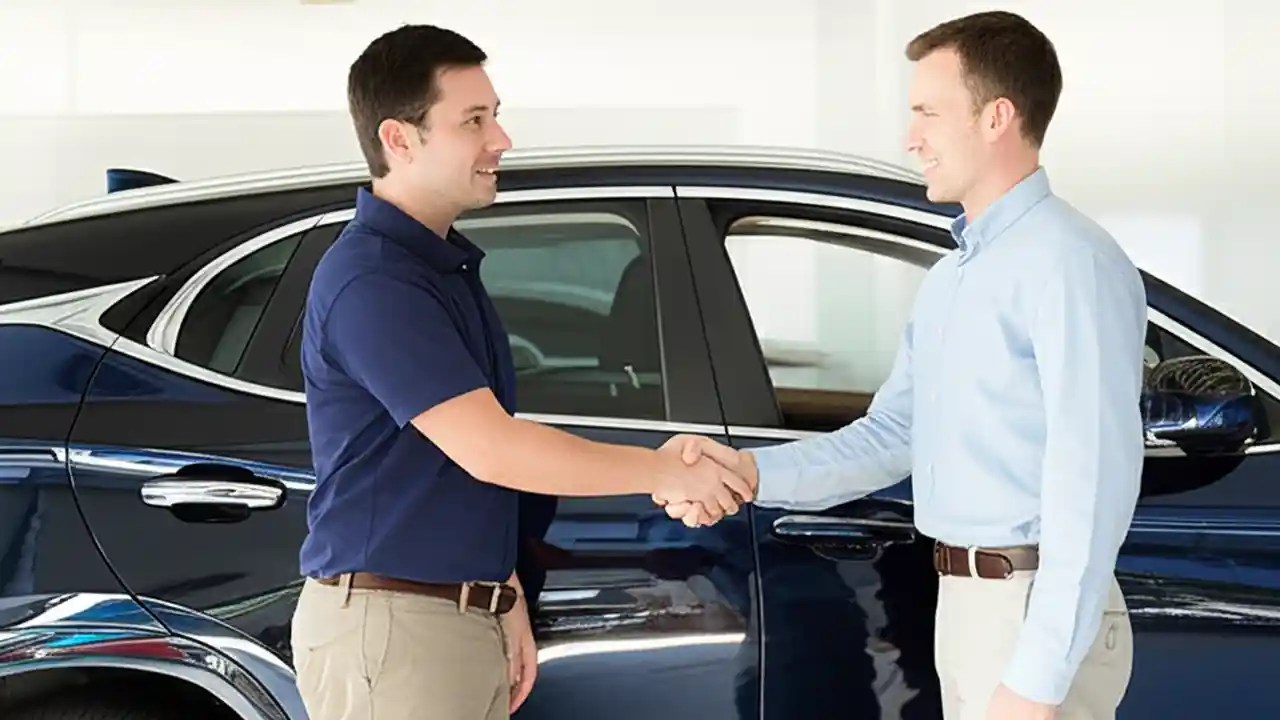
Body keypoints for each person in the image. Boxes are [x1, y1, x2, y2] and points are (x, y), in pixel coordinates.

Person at [660, 10, 1145, 720]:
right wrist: (751, 472)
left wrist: (1037, 679)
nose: (910, 137)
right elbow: (892, 436)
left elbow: (1094, 479)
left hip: (1030, 611)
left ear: (996, 117)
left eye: (927, 112)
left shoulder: (1069, 264)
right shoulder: (956, 276)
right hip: (972, 607)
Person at [289, 24, 755, 720]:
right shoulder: (376, 281)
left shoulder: (437, 267)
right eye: (473, 120)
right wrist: (664, 471)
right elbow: (490, 448)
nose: (500, 139)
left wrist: (497, 589)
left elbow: (446, 466)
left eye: (495, 114)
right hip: (397, 632)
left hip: (442, 618)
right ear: (399, 139)